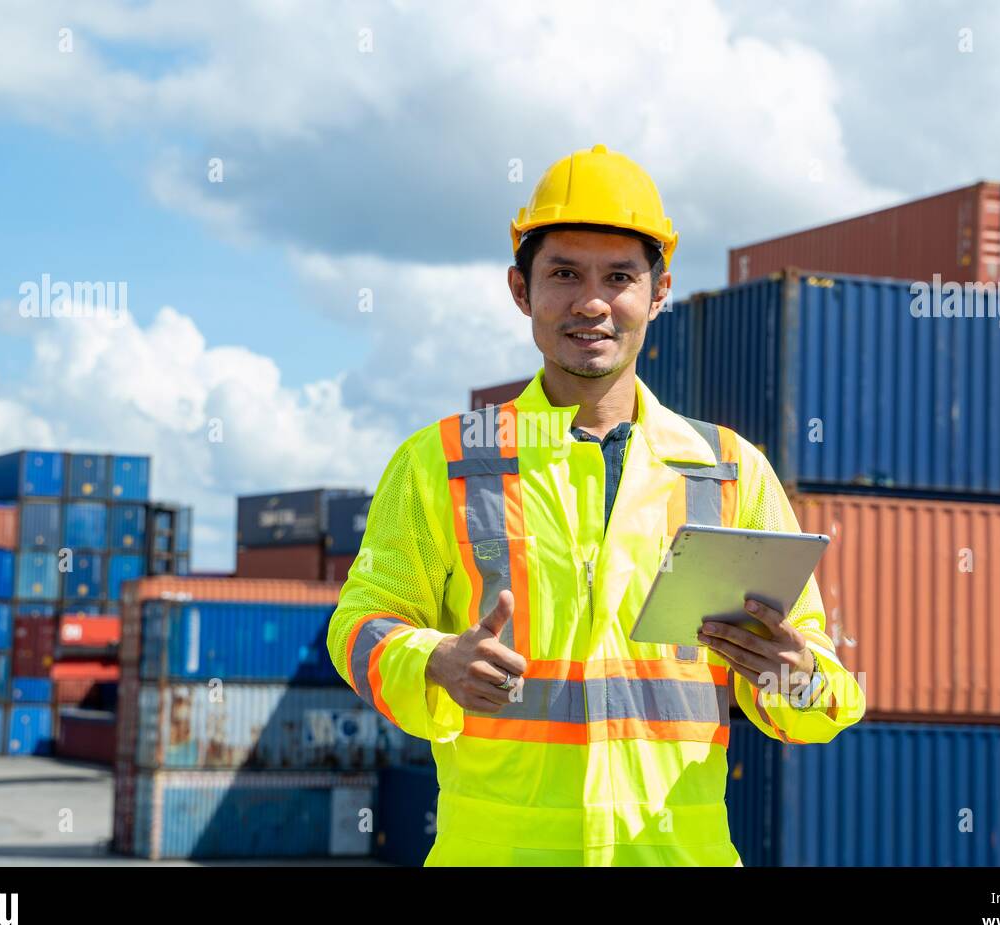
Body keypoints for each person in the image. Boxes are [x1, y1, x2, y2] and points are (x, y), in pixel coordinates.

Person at [328, 144, 866, 866]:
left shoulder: (730, 470)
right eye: (563, 275)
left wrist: (792, 672)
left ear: (659, 291)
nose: (591, 302)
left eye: (619, 277)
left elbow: (824, 696)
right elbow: (359, 624)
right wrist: (432, 659)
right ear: (522, 291)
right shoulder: (443, 460)